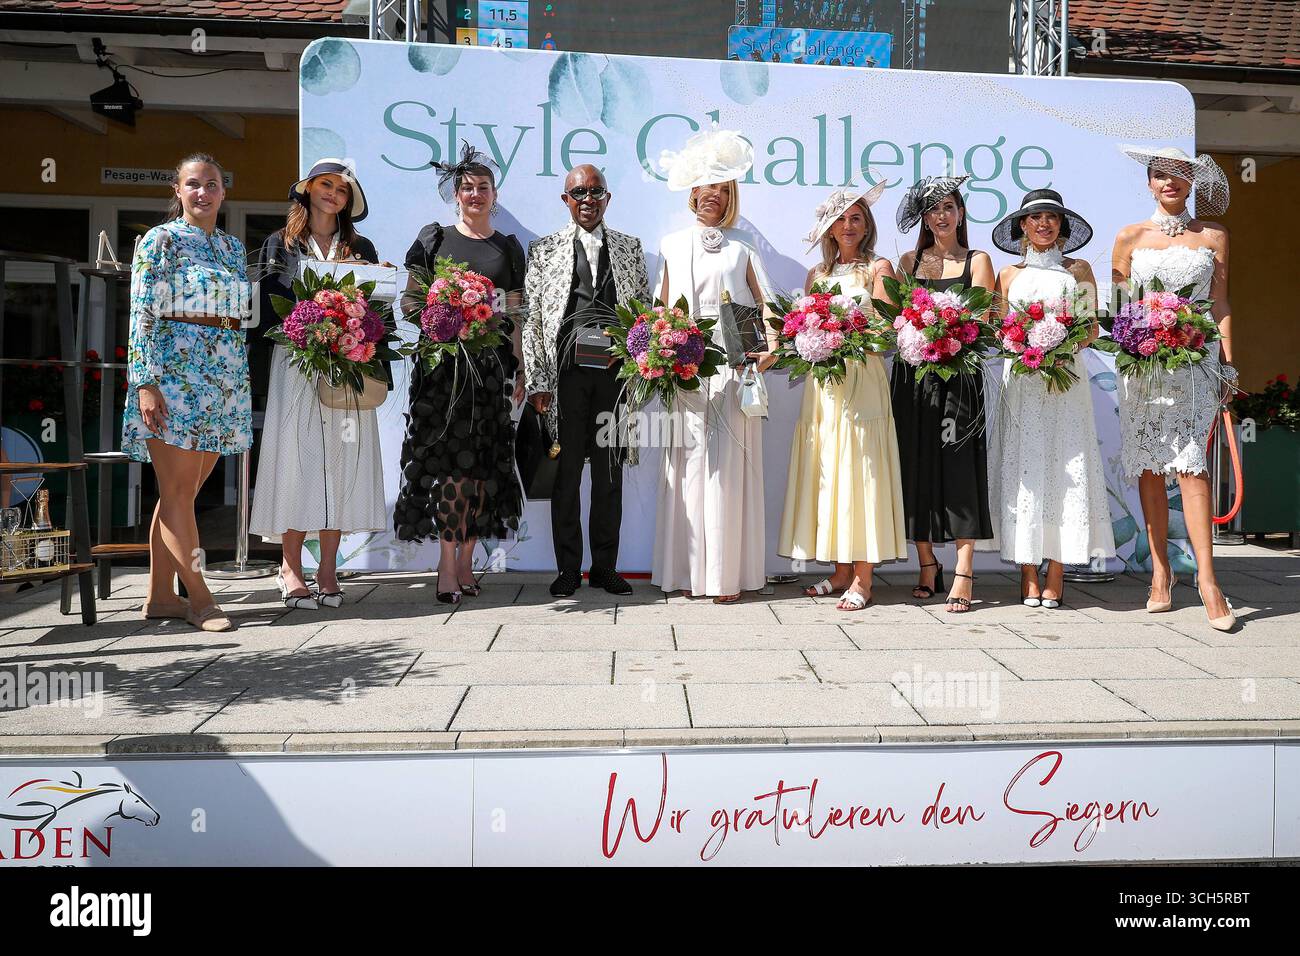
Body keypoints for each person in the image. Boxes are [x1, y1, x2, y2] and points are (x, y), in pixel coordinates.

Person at [121, 152, 251, 632]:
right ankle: (199, 598)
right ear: (178, 191)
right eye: (193, 184)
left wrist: (235, 383)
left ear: (223, 191)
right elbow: (141, 314)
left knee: (182, 495)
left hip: (221, 381)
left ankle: (159, 598)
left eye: (211, 184)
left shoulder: (233, 248)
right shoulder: (159, 241)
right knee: (176, 493)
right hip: (172, 377)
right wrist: (145, 383)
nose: (202, 192)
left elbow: (236, 320)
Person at [250, 159, 386, 611]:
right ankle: (289, 566)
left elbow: (375, 313)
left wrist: (372, 289)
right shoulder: (280, 242)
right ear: (307, 190)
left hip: (346, 364)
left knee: (341, 460)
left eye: (342, 189)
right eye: (326, 184)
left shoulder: (360, 244)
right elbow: (270, 311)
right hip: (296, 364)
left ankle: (328, 570)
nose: (333, 193)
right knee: (296, 457)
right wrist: (314, 326)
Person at [393, 142, 525, 604]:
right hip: (441, 377)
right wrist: (444, 319)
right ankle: (447, 567)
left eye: (483, 187)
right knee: (449, 471)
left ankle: (468, 564)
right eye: (467, 187)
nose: (475, 194)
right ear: (455, 194)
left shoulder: (507, 248)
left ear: (495, 194)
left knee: (484, 471)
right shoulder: (433, 239)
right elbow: (410, 303)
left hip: (490, 375)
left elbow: (515, 312)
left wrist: (521, 367)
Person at [1112, 145, 1236, 631]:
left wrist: (1229, 362)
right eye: (1161, 176)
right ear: (1148, 182)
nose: (1170, 183)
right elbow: (1121, 311)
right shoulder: (1128, 237)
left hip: (1195, 363)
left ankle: (1208, 580)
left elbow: (1220, 304)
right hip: (1143, 367)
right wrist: (1142, 335)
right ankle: (1160, 572)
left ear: (1192, 183)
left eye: (1180, 175)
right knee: (1148, 463)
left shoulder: (1214, 235)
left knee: (1191, 465)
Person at [652, 128, 778, 603]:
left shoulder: (743, 245)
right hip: (685, 368)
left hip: (734, 367)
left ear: (731, 197)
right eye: (708, 187)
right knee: (689, 465)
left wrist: (771, 348)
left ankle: (727, 576)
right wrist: (657, 352)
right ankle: (685, 572)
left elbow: (767, 305)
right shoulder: (670, 244)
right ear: (693, 193)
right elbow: (659, 309)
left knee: (729, 468)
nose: (714, 196)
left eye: (724, 190)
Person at [522, 164, 650, 597]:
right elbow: (534, 322)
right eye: (579, 193)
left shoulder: (631, 248)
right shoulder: (543, 250)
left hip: (615, 380)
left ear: (608, 197)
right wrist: (538, 381)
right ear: (566, 200)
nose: (588, 199)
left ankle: (606, 568)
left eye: (596, 191)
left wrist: (642, 371)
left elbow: (645, 315)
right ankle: (568, 569)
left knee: (610, 476)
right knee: (567, 475)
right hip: (565, 380)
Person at [778, 185, 907, 611]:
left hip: (863, 381)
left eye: (856, 218)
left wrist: (846, 334)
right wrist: (809, 338)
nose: (848, 226)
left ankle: (864, 578)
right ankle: (839, 571)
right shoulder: (816, 275)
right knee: (828, 470)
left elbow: (891, 329)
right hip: (824, 386)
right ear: (829, 228)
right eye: (840, 219)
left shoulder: (880, 267)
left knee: (860, 473)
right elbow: (801, 328)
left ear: (867, 225)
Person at [990, 189, 1115, 607]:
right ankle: (1027, 572)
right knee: (1025, 465)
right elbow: (996, 328)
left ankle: (1057, 570)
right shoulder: (1007, 275)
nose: (1044, 224)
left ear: (1062, 226)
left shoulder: (1078, 269)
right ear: (1022, 226)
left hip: (1065, 379)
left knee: (1067, 463)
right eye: (1035, 218)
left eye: (1052, 218)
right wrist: (1023, 340)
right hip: (1022, 381)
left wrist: (1057, 342)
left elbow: (1091, 329)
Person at [892, 176, 996, 614]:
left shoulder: (979, 260)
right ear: (924, 217)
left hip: (961, 377)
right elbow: (895, 323)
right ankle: (927, 563)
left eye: (948, 207)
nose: (941, 215)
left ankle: (965, 569)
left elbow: (986, 319)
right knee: (915, 466)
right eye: (933, 209)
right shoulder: (908, 261)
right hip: (914, 378)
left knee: (960, 469)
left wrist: (951, 334)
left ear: (961, 212)